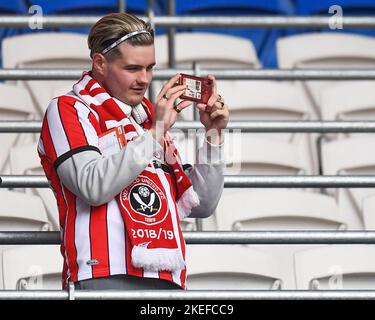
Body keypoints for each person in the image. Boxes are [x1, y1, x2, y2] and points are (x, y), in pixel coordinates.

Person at [38, 12, 229, 291]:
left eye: (150, 68)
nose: (145, 79)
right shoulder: (68, 109)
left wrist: (214, 135)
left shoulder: (148, 119)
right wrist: (155, 133)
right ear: (99, 63)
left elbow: (202, 203)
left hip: (166, 275)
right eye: (132, 69)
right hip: (102, 276)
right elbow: (92, 186)